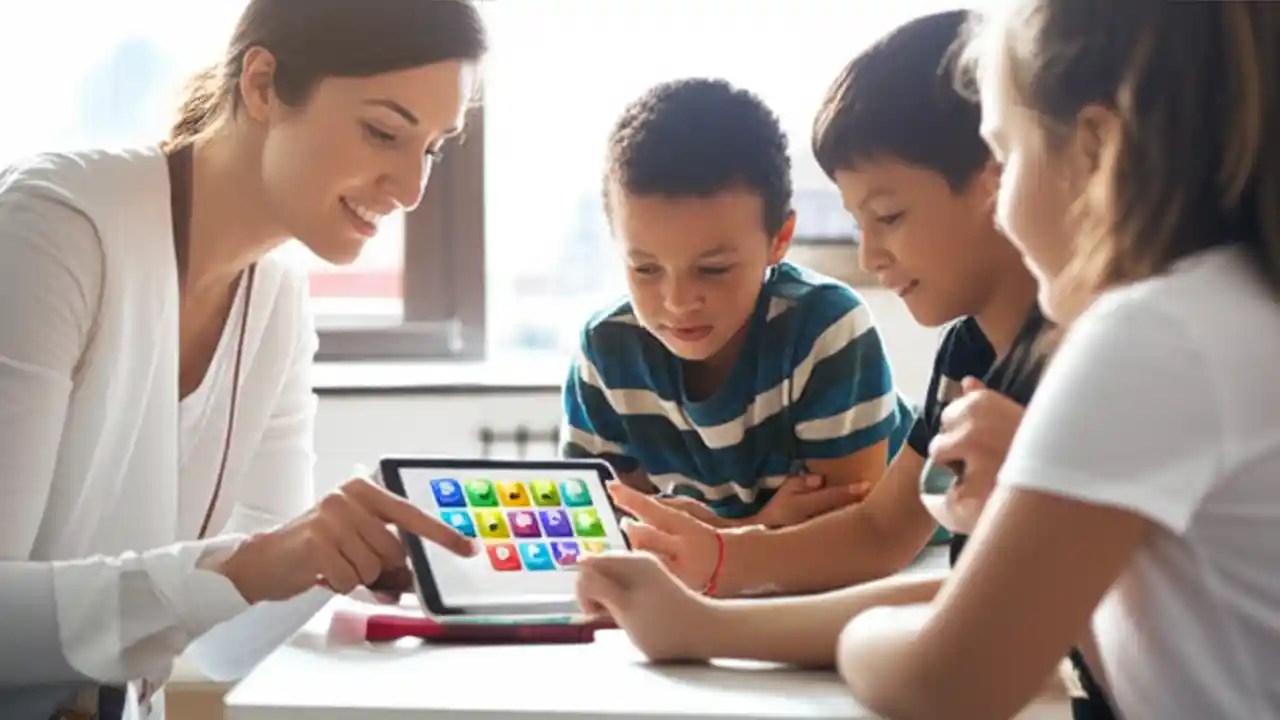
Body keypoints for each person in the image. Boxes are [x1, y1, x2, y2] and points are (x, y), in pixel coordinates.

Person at [585, 1, 1280, 718]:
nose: (999, 204)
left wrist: (851, 635)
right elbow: (1010, 605)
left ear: (1094, 151)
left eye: (1007, 159)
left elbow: (948, 678)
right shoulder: (1218, 308)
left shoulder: (1150, 336)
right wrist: (707, 620)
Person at [0, 1, 485, 718]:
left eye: (433, 149)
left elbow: (228, 641)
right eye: (383, 132)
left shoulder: (279, 299)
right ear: (262, 85)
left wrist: (345, 565)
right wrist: (247, 564)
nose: (412, 190)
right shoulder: (55, 232)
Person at [560, 78, 912, 531]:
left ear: (779, 240)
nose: (678, 301)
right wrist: (757, 529)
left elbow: (849, 533)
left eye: (714, 269)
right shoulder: (606, 350)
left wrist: (717, 541)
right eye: (645, 269)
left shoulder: (825, 328)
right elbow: (612, 530)